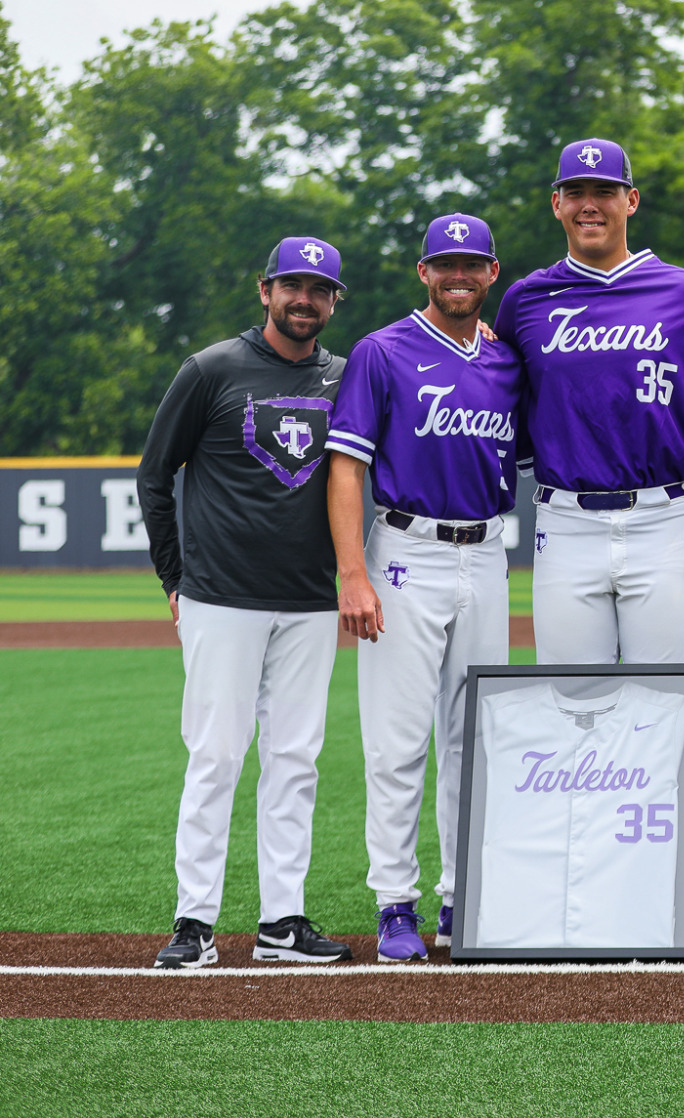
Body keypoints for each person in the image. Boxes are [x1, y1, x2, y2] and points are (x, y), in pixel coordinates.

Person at [136, 238, 357, 968]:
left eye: (319, 289)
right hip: (220, 598)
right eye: (292, 285)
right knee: (217, 755)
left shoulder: (345, 378)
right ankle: (194, 921)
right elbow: (154, 476)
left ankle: (281, 921)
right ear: (265, 289)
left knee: (295, 759)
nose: (305, 299)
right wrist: (175, 578)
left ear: (334, 301)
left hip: (308, 601)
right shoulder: (211, 369)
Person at [324, 214, 524, 960]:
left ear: (492, 273)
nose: (458, 276)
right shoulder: (383, 352)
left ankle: (460, 897)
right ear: (424, 273)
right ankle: (395, 903)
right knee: (397, 740)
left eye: (472, 264)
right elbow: (345, 467)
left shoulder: (508, 362)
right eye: (445, 264)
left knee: (475, 738)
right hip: (405, 552)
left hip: (487, 552)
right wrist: (354, 574)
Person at [492, 139, 684, 665]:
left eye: (605, 191)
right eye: (575, 192)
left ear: (632, 200)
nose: (589, 204)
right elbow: (492, 387)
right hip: (565, 520)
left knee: (668, 698)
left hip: (661, 521)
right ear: (557, 204)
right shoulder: (525, 299)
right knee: (574, 703)